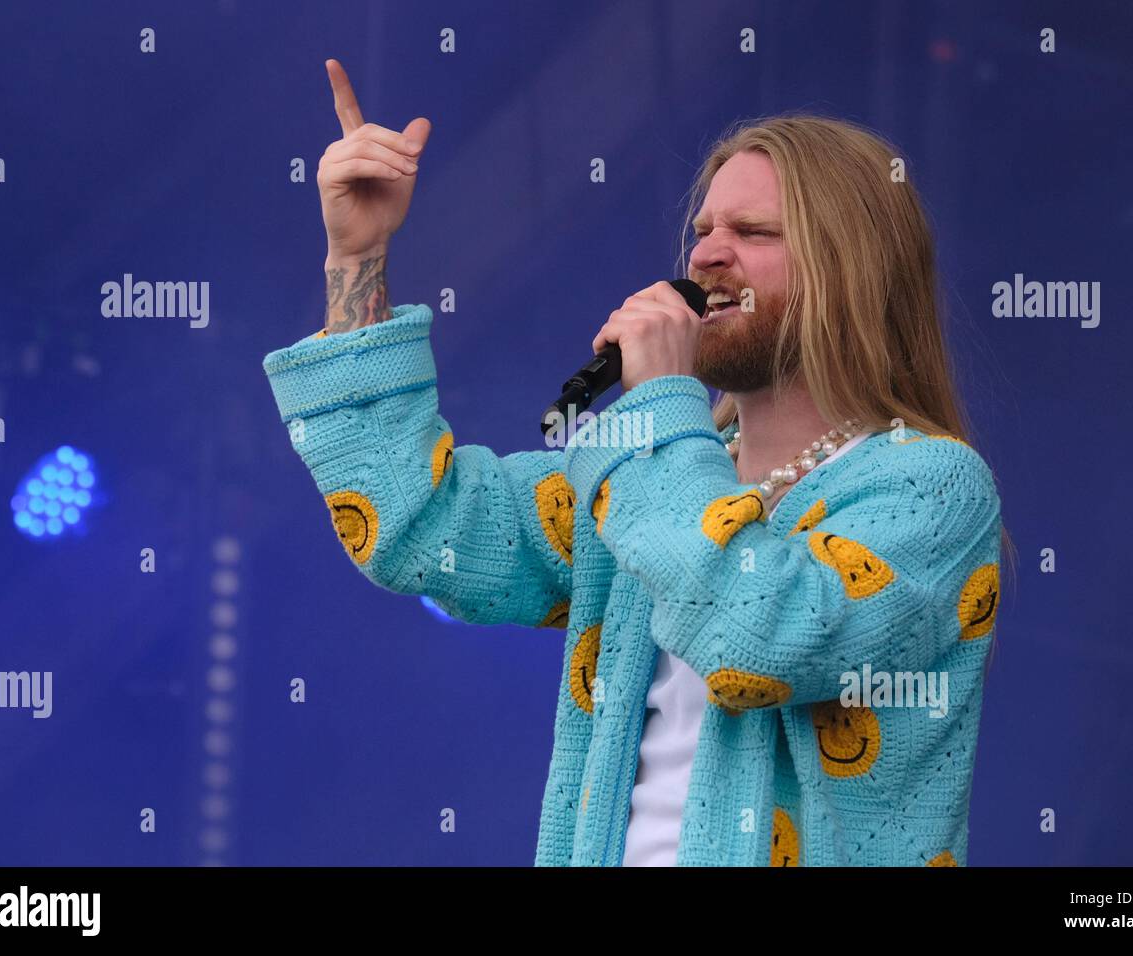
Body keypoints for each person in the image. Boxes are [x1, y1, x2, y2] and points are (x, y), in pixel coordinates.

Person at [262, 59, 1006, 866]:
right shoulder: (643, 472)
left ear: (853, 273)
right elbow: (421, 524)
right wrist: (356, 258)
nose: (707, 256)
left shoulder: (929, 487)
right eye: (702, 231)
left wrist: (659, 407)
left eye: (753, 234)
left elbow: (757, 640)